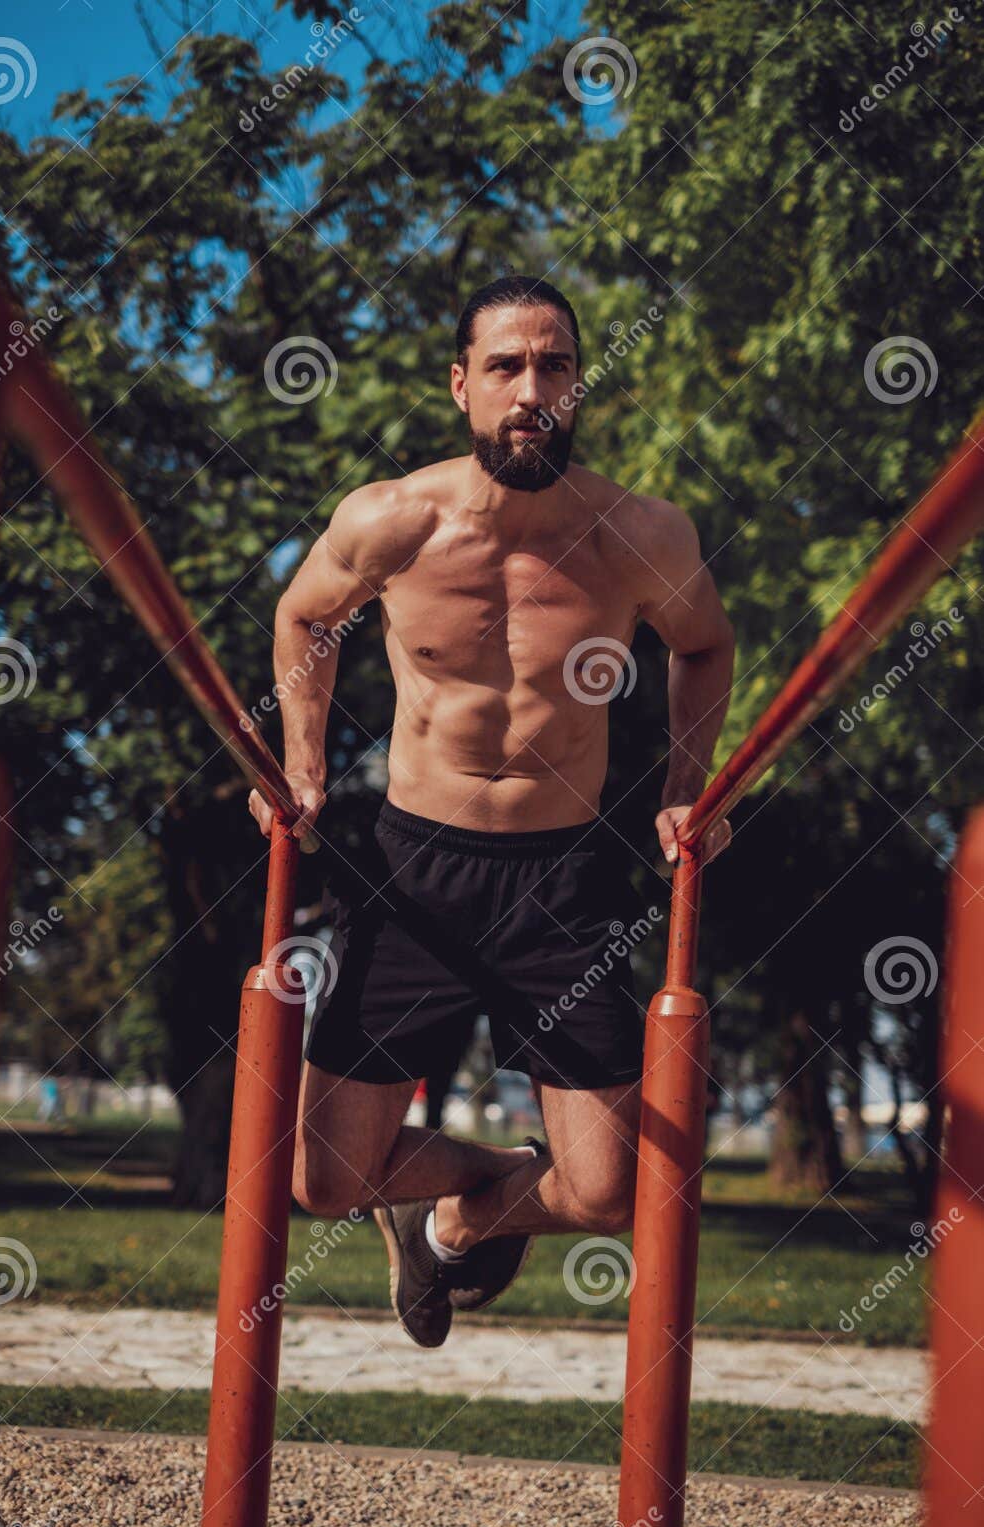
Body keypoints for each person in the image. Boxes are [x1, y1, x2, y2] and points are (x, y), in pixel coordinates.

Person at [249, 275, 734, 1348]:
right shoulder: (392, 518)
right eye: (505, 367)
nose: (531, 389)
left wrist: (686, 780)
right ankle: (469, 1177)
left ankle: (464, 1220)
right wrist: (301, 762)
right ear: (461, 386)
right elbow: (303, 615)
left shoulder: (637, 535)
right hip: (410, 867)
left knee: (608, 1192)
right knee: (324, 1181)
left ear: (578, 385)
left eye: (553, 365)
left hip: (562, 878)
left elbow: (702, 644)